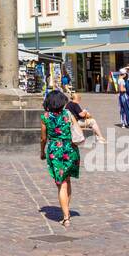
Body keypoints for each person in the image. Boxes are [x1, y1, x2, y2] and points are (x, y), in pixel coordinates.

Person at [40, 89, 80, 227]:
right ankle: (66, 210)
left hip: (55, 151)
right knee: (67, 181)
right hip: (70, 149)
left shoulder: (45, 117)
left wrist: (42, 152)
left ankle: (66, 217)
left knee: (61, 184)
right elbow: (75, 128)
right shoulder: (68, 114)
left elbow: (43, 138)